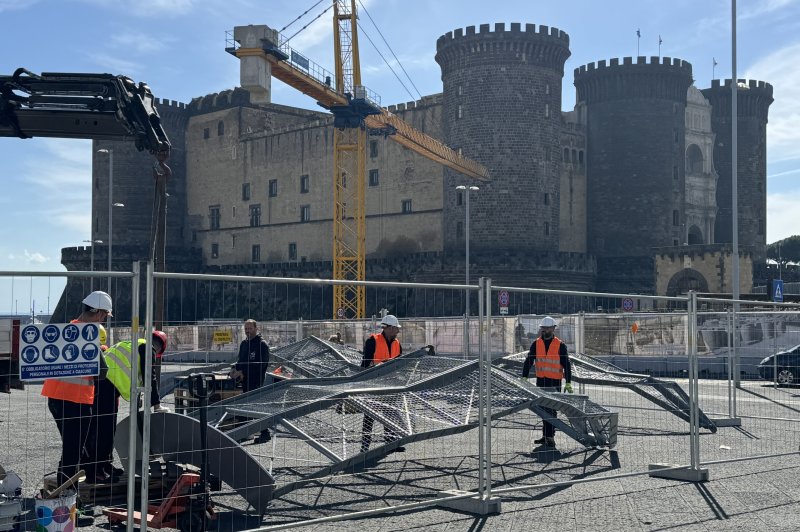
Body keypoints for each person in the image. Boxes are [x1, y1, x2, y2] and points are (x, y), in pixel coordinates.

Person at [41, 290, 111, 486]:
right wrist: (102, 351)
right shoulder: (90, 335)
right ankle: (67, 497)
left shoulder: (68, 329)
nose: (103, 320)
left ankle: (75, 488)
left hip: (55, 397)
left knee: (74, 448)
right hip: (77, 401)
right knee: (73, 453)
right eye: (104, 316)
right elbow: (102, 371)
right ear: (98, 313)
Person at [85, 331, 169, 483]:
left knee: (107, 427)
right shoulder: (146, 348)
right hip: (107, 385)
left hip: (102, 383)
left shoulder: (133, 344)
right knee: (103, 428)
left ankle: (104, 465)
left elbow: (137, 374)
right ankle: (96, 471)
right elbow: (150, 377)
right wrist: (157, 405)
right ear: (159, 349)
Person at [522, 316, 573, 449]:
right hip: (541, 381)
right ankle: (545, 436)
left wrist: (568, 381)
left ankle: (550, 437)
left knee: (552, 409)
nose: (544, 330)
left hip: (554, 381)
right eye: (542, 328)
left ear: (553, 329)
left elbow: (566, 364)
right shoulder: (536, 343)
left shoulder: (560, 345)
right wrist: (524, 377)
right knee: (543, 409)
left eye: (546, 328)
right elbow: (529, 360)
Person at [360, 314, 403, 453]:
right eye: (396, 328)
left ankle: (390, 442)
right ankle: (365, 445)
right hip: (373, 383)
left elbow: (400, 364)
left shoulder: (397, 344)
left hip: (390, 384)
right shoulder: (373, 341)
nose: (398, 331)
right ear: (388, 328)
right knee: (369, 414)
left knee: (389, 412)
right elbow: (364, 365)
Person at [230, 319, 270, 442]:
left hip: (255, 382)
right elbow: (240, 361)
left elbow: (260, 366)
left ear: (256, 328)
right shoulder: (244, 344)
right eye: (246, 329)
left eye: (250, 328)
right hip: (243, 382)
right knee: (243, 407)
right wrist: (234, 370)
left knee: (255, 408)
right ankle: (244, 433)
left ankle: (265, 433)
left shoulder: (261, 344)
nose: (247, 331)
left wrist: (243, 372)